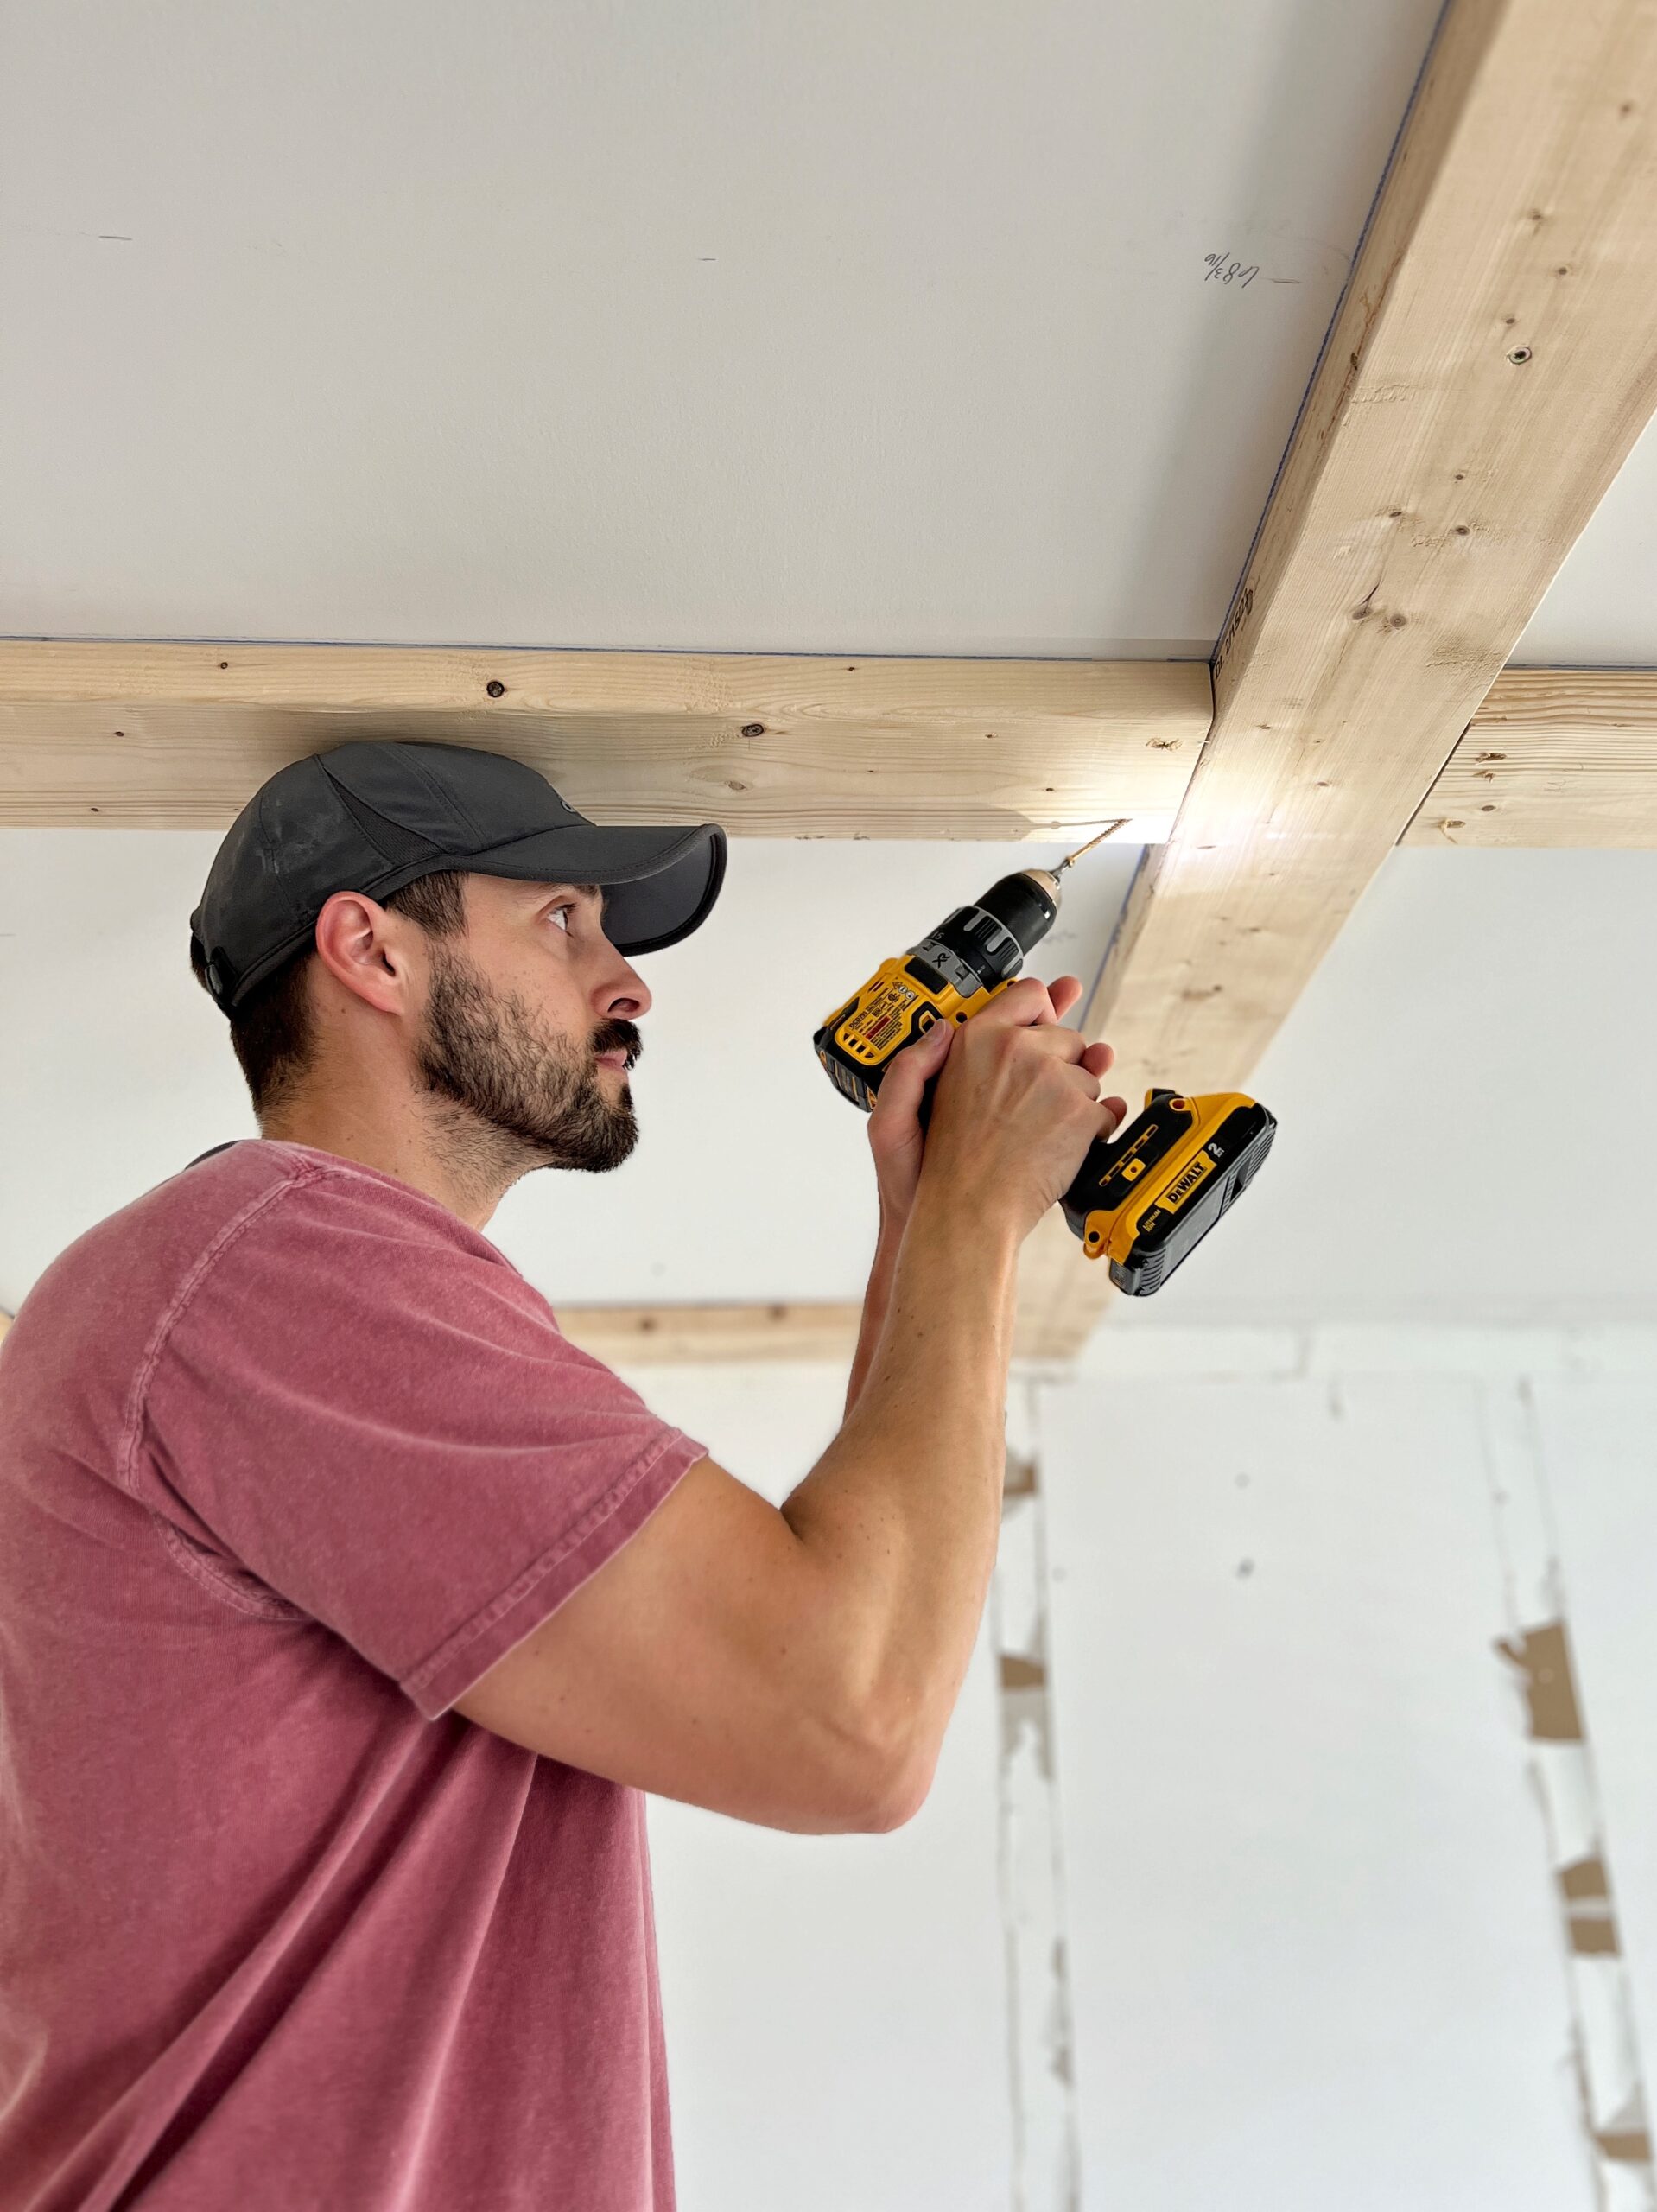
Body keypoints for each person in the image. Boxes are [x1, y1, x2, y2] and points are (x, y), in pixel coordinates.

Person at [0, 739, 1124, 2210]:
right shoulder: (276, 1272)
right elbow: (843, 1720)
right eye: (561, 920)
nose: (629, 983)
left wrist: (933, 1224)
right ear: (370, 952)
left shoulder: (262, 1297)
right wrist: (971, 1222)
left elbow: (831, 1654)